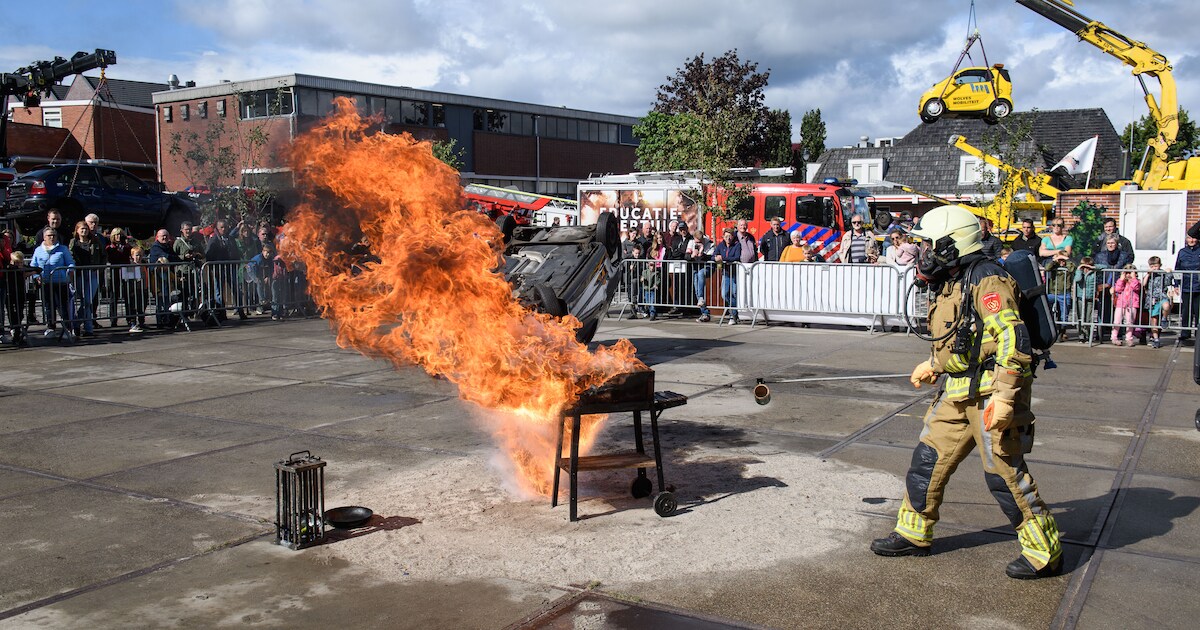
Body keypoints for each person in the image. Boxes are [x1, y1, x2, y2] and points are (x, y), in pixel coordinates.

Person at [870, 204, 1062, 580]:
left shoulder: (988, 279)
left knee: (1004, 474)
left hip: (992, 389)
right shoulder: (953, 279)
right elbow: (960, 333)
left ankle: (1045, 552)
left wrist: (1005, 398)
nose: (923, 251)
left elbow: (1012, 340)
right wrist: (934, 364)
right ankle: (913, 532)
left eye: (929, 244)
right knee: (927, 461)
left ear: (951, 243)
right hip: (957, 389)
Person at [30, 228, 75, 342]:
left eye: (54, 235)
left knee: (63, 306)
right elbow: (33, 265)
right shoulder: (38, 250)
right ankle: (51, 327)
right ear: (44, 237)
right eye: (49, 235)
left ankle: (67, 328)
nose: (52, 237)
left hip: (61, 282)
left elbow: (70, 263)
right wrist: (36, 276)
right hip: (45, 283)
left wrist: (69, 271)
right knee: (48, 307)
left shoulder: (63, 249)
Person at [1094, 234, 1134, 342]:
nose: (1110, 245)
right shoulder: (1100, 256)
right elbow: (1098, 272)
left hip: (1119, 286)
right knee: (1103, 310)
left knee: (1118, 311)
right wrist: (1099, 285)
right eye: (1108, 243)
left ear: (1117, 244)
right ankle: (1100, 333)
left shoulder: (1124, 256)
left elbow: (1127, 270)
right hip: (1104, 286)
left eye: (1112, 243)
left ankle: (1118, 333)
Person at [68, 221, 103, 337]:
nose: (84, 231)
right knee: (85, 301)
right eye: (82, 229)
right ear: (77, 230)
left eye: (86, 229)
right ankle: (88, 329)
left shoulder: (95, 241)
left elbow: (103, 255)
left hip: (92, 273)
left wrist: (100, 268)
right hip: (79, 274)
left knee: (88, 301)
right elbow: (70, 255)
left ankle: (76, 324)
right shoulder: (73, 242)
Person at [712, 228, 743, 324]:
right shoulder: (720, 245)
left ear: (733, 237)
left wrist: (724, 258)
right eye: (726, 236)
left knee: (734, 293)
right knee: (724, 294)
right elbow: (713, 256)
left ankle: (733, 316)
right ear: (723, 237)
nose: (728, 238)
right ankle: (733, 313)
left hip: (734, 273)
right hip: (725, 273)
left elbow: (737, 257)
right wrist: (716, 258)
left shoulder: (737, 245)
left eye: (729, 236)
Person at [1173, 233, 1200, 342]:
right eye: (1189, 238)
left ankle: (1198, 333)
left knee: (1198, 311)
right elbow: (1177, 268)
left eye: (1193, 238)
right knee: (1186, 310)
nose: (1191, 240)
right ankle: (1185, 332)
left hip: (1198, 286)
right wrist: (1176, 284)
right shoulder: (1182, 252)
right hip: (1186, 285)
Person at [1044, 252, 1076, 341]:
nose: (1061, 261)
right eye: (1060, 259)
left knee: (1064, 314)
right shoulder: (1054, 265)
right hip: (1053, 293)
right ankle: (1049, 327)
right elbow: (1047, 268)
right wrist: (1054, 261)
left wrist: (1066, 260)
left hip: (1064, 293)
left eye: (1063, 259)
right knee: (1045, 304)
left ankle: (1062, 333)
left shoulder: (1069, 265)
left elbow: (1072, 269)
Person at [1142, 256, 1171, 349]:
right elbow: (1143, 284)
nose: (1154, 268)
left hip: (1162, 296)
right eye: (1152, 266)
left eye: (1156, 266)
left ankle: (1164, 318)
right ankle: (1156, 339)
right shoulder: (1149, 274)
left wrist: (1169, 273)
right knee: (1153, 319)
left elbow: (1168, 283)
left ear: (1160, 265)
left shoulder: (1163, 273)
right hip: (1152, 298)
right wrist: (1148, 274)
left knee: (1166, 306)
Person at [686, 229, 715, 322]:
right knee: (697, 290)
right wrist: (691, 256)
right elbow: (686, 256)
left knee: (701, 273)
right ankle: (705, 313)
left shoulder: (710, 243)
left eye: (699, 242)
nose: (697, 244)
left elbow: (710, 257)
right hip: (695, 267)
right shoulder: (691, 242)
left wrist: (701, 251)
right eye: (696, 242)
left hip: (707, 267)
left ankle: (701, 299)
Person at [1110, 265, 1141, 346]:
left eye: (1130, 273)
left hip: (1132, 304)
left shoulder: (1137, 281)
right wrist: (1121, 279)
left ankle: (1129, 338)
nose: (1128, 275)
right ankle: (1114, 337)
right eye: (1126, 273)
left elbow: (1135, 287)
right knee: (1117, 321)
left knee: (1130, 322)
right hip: (1120, 304)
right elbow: (1118, 289)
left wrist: (1133, 278)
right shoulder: (1121, 281)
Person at [122, 246, 149, 333]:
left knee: (142, 306)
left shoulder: (144, 265)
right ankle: (132, 323)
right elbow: (127, 279)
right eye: (137, 255)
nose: (139, 257)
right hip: (133, 290)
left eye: (140, 255)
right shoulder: (130, 265)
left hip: (143, 288)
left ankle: (141, 322)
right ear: (132, 256)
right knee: (133, 307)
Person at [1074, 256, 1098, 343]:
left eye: (1088, 266)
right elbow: (1077, 279)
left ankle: (1088, 335)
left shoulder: (1093, 273)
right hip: (1080, 298)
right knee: (1080, 317)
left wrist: (1092, 267)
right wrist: (1079, 270)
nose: (1086, 269)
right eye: (1084, 266)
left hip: (1090, 298)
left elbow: (1104, 267)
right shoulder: (1080, 272)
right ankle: (1081, 335)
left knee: (1088, 318)